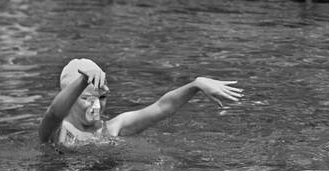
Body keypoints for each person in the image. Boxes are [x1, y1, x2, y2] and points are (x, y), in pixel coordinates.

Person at [39, 58, 243, 146]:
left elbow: (162, 107)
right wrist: (83, 80)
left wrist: (195, 85)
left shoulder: (113, 128)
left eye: (102, 97)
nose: (97, 106)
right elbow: (54, 113)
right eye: (87, 98)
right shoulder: (57, 131)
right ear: (70, 97)